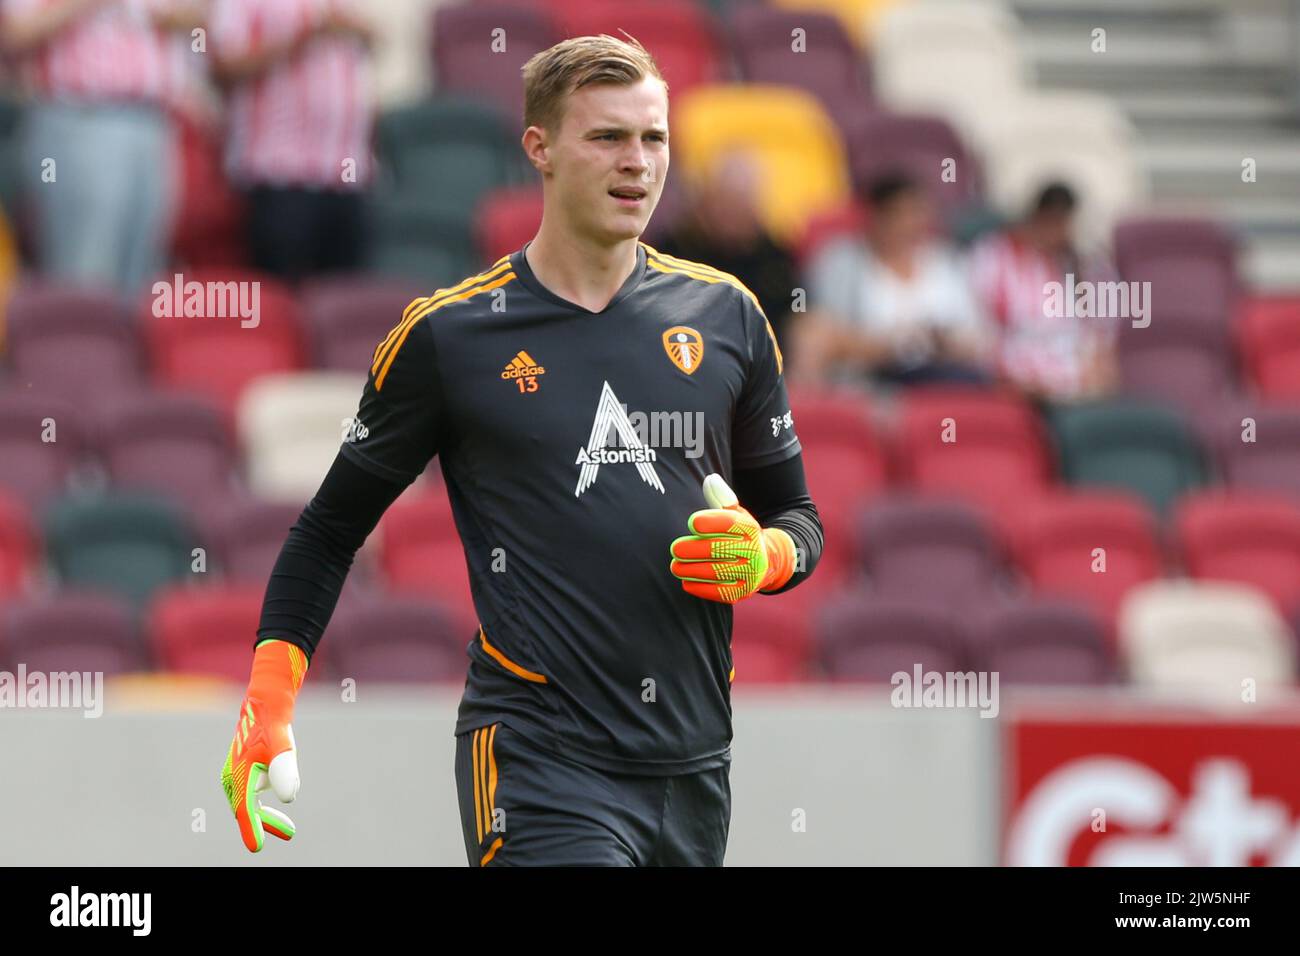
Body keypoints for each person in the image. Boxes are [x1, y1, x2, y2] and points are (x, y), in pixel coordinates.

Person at [219, 34, 824, 867]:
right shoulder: (451, 335)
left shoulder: (730, 318)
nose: (637, 162)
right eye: (607, 137)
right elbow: (327, 532)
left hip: (694, 768)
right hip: (537, 758)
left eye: (653, 139)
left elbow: (800, 519)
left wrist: (764, 556)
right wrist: (269, 699)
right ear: (538, 148)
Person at [0, 0, 202, 294]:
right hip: (82, 118)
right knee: (85, 272)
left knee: (142, 275)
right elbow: (15, 34)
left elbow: (200, 22)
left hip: (153, 120)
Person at [209, 0, 375, 282]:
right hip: (279, 174)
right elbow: (223, 67)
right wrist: (301, 39)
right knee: (282, 295)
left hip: (345, 173)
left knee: (343, 302)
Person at [792, 171, 990, 387]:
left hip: (943, 371)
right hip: (872, 375)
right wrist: (891, 346)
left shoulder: (947, 261)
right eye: (900, 215)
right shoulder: (840, 262)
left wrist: (942, 343)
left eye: (917, 214)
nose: (910, 224)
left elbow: (978, 336)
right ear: (877, 217)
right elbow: (823, 331)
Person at [968, 181, 1119, 401]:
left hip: (1076, 382)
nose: (1056, 232)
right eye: (1050, 222)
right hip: (1016, 379)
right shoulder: (994, 257)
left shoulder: (1089, 266)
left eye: (1063, 224)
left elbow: (1101, 343)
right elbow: (984, 332)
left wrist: (1092, 376)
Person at [656, 149, 799, 354]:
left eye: (743, 204)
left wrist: (799, 316)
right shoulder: (676, 251)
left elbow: (797, 300)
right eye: (727, 202)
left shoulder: (776, 257)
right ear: (708, 201)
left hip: (767, 358)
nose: (733, 215)